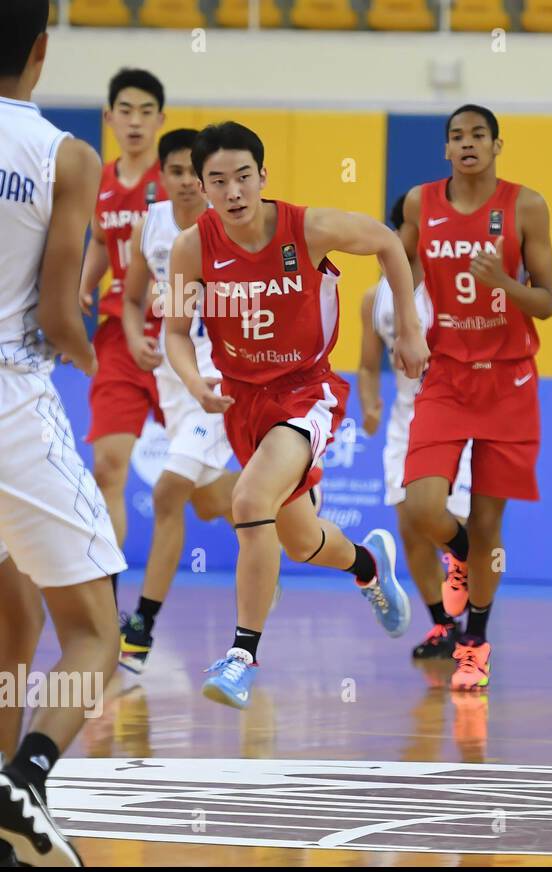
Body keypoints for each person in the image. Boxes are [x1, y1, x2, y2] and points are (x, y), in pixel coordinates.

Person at [165, 121, 430, 709]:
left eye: (242, 178)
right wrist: (194, 383)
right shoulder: (193, 246)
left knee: (249, 502)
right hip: (240, 400)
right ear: (203, 188)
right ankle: (367, 564)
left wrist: (408, 328)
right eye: (217, 181)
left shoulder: (306, 228)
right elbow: (177, 333)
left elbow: (389, 243)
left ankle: (241, 656)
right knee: (302, 540)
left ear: (262, 176)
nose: (232, 192)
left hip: (306, 392)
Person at [0, 0, 129, 866]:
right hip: (10, 399)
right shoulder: (65, 156)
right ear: (43, 48)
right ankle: (28, 780)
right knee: (95, 632)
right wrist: (104, 360)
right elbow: (56, 310)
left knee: (10, 619)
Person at [398, 104, 552, 690]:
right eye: (457, 136)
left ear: (496, 145)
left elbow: (547, 302)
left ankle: (476, 641)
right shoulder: (421, 203)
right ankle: (457, 554)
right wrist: (405, 328)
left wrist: (505, 285)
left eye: (479, 136)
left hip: (509, 380)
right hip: (446, 375)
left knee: (490, 524)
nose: (468, 144)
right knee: (421, 507)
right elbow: (403, 269)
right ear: (446, 149)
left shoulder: (527, 205)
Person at [118, 127, 237, 674]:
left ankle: (140, 627)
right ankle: (276, 516)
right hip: (173, 381)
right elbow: (132, 297)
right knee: (211, 502)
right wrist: (134, 335)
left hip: (215, 380)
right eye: (176, 172)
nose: (187, 181)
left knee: (168, 494)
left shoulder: (229, 227)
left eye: (195, 171)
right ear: (161, 176)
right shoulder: (153, 225)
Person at [358, 196, 473, 661]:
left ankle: (470, 606)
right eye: (411, 226)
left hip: (456, 417)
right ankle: (444, 627)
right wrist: (369, 403)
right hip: (406, 421)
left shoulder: (452, 287)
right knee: (408, 526)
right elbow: (368, 366)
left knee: (449, 522)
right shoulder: (375, 296)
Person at [77, 67, 168, 561]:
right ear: (109, 117)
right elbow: (98, 241)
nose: (135, 122)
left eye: (146, 112)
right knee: (108, 469)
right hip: (118, 338)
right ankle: (107, 603)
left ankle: (261, 540)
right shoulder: (101, 182)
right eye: (125, 111)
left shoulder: (176, 181)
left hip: (178, 336)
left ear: (161, 119)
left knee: (206, 491)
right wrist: (84, 286)